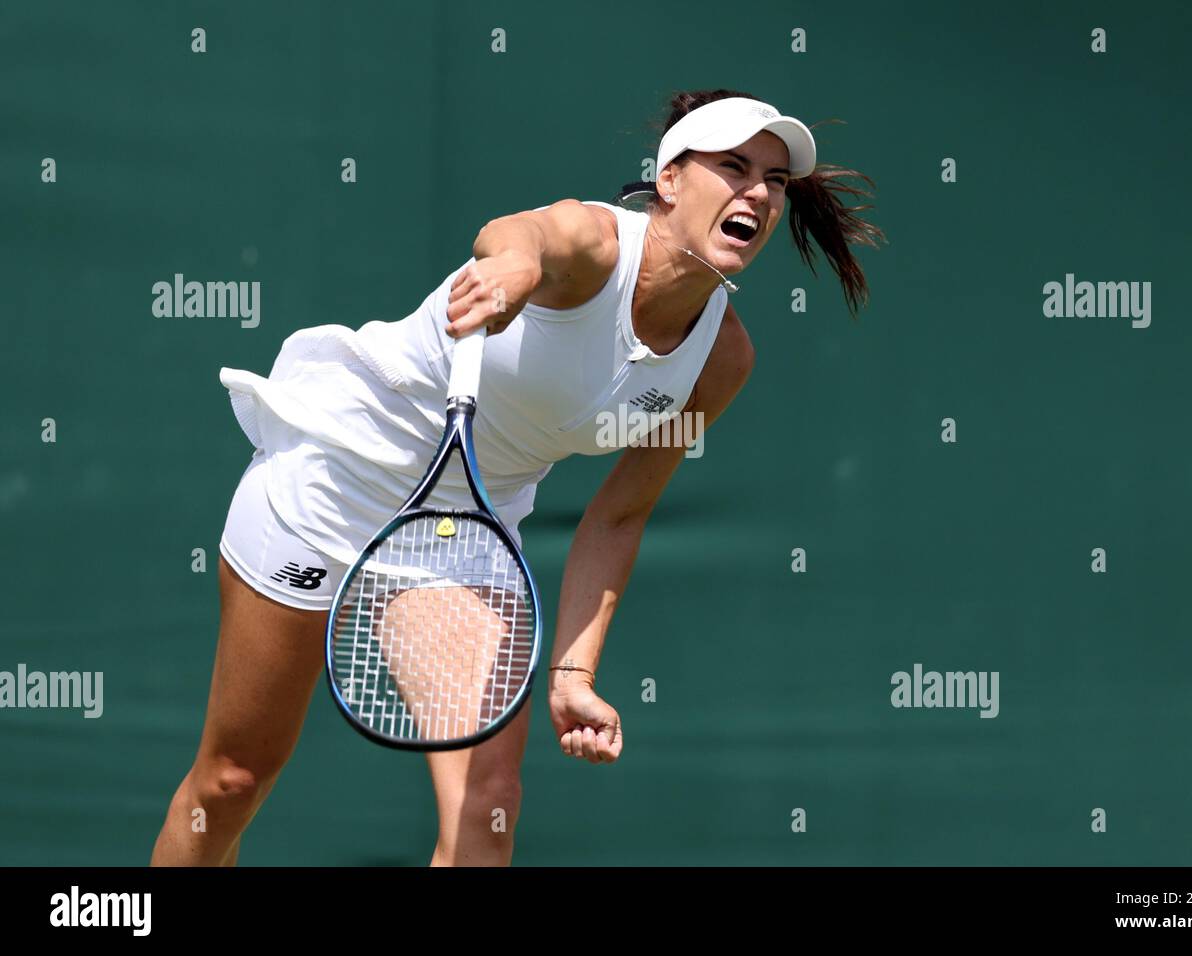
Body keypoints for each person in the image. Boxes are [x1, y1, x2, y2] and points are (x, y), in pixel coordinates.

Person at [150, 87, 883, 867]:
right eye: (734, 166)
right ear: (670, 179)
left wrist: (574, 670)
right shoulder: (592, 247)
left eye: (774, 181)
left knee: (488, 804)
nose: (758, 193)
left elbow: (621, 514)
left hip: (461, 533)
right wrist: (511, 272)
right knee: (231, 782)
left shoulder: (721, 360)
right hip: (333, 479)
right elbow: (522, 234)